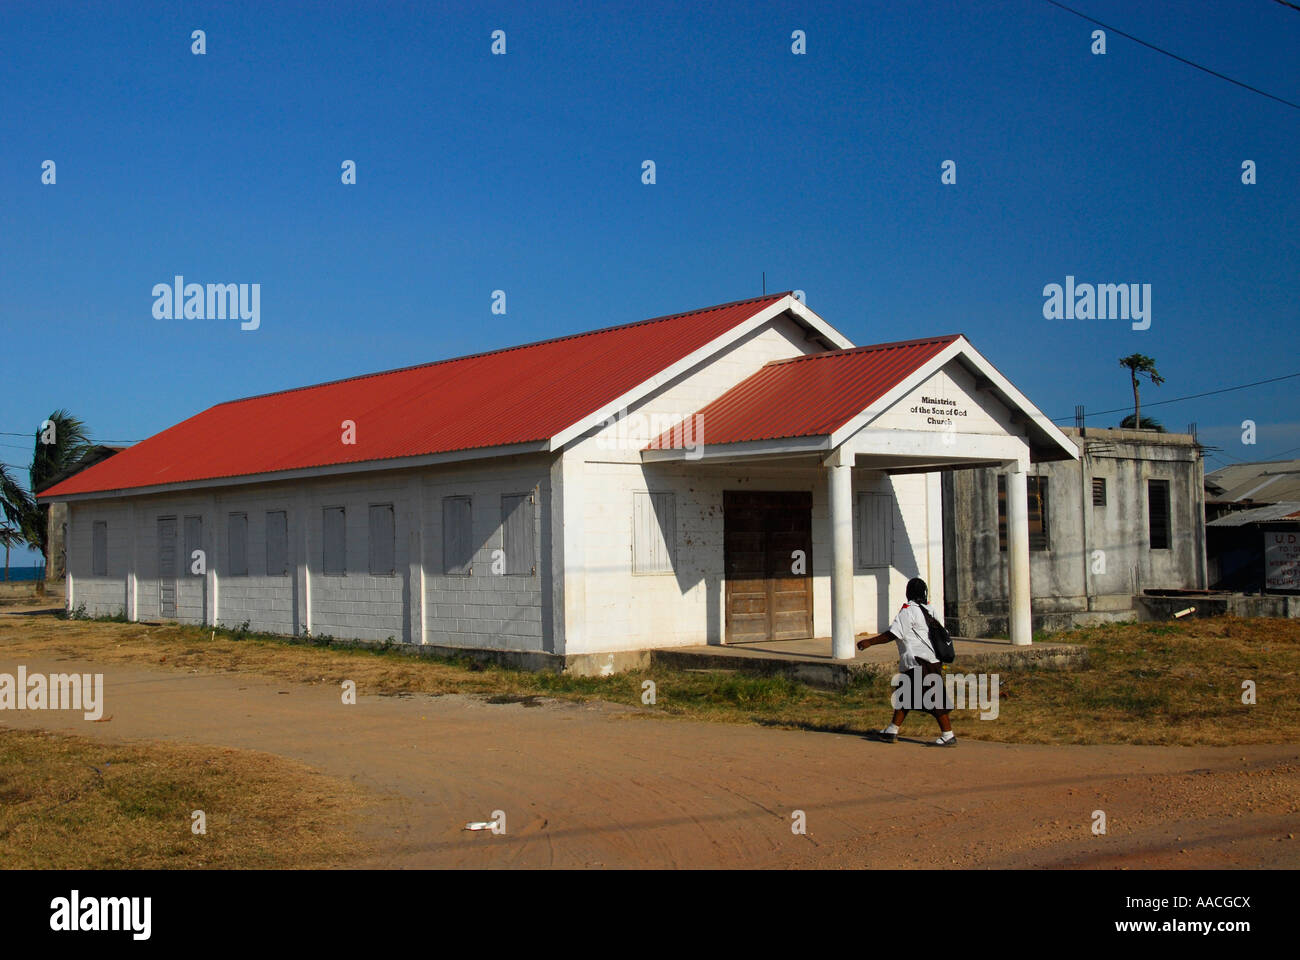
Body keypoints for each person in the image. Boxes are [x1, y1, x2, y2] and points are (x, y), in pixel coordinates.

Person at [856, 577, 956, 747]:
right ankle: (892, 730)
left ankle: (948, 735)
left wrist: (869, 642)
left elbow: (893, 634)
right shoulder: (930, 609)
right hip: (931, 659)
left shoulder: (908, 611)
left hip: (919, 661)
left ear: (908, 592)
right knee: (904, 696)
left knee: (933, 697)